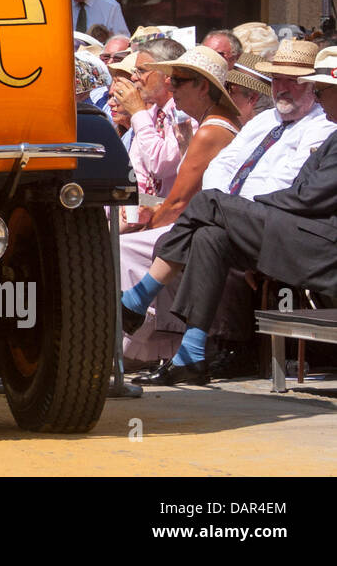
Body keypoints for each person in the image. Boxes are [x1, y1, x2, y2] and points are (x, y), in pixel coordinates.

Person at [120, 40, 337, 385]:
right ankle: (192, 354)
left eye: (296, 82)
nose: (283, 87)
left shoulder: (323, 128)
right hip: (270, 221)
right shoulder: (266, 120)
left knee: (210, 206)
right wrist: (232, 211)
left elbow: (305, 197)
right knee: (210, 234)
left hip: (307, 236)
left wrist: (242, 210)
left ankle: (136, 299)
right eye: (277, 79)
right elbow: (222, 168)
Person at [116, 47, 241, 362]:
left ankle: (127, 350)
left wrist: (146, 222)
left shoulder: (210, 130)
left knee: (124, 247)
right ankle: (149, 344)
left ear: (202, 87)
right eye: (170, 79)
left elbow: (178, 203)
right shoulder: (209, 125)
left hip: (211, 229)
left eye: (179, 80)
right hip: (203, 225)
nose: (171, 87)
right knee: (130, 242)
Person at [109, 37, 187, 220]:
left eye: (142, 71)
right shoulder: (152, 113)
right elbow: (137, 173)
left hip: (169, 218)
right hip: (141, 212)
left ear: (167, 75)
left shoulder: (185, 114)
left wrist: (137, 111)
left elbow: (160, 165)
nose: (134, 77)